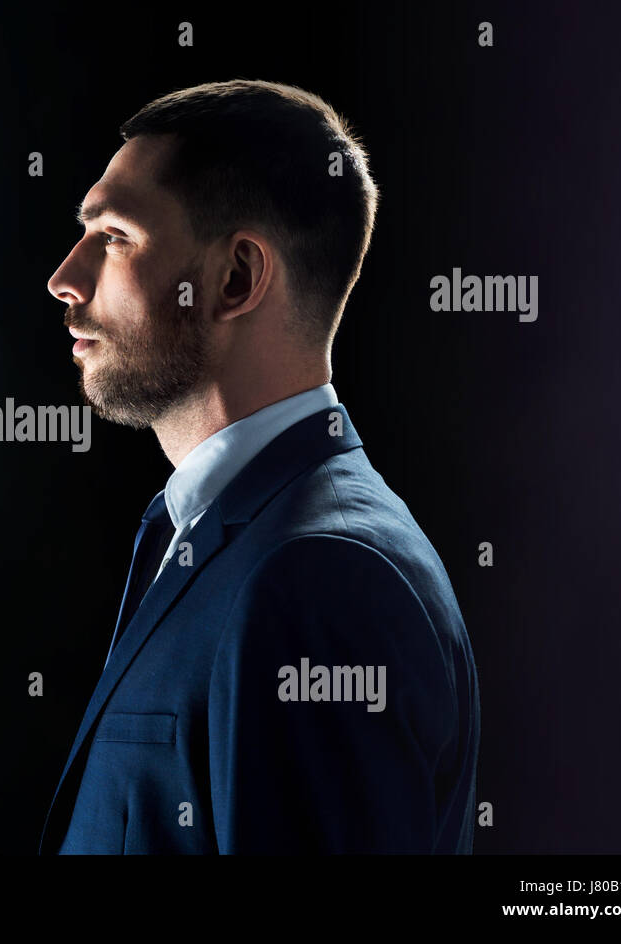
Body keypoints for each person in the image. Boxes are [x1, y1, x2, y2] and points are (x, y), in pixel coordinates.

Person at [39, 79, 480, 853]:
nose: (65, 280)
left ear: (237, 278)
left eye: (113, 236)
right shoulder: (213, 529)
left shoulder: (318, 580)